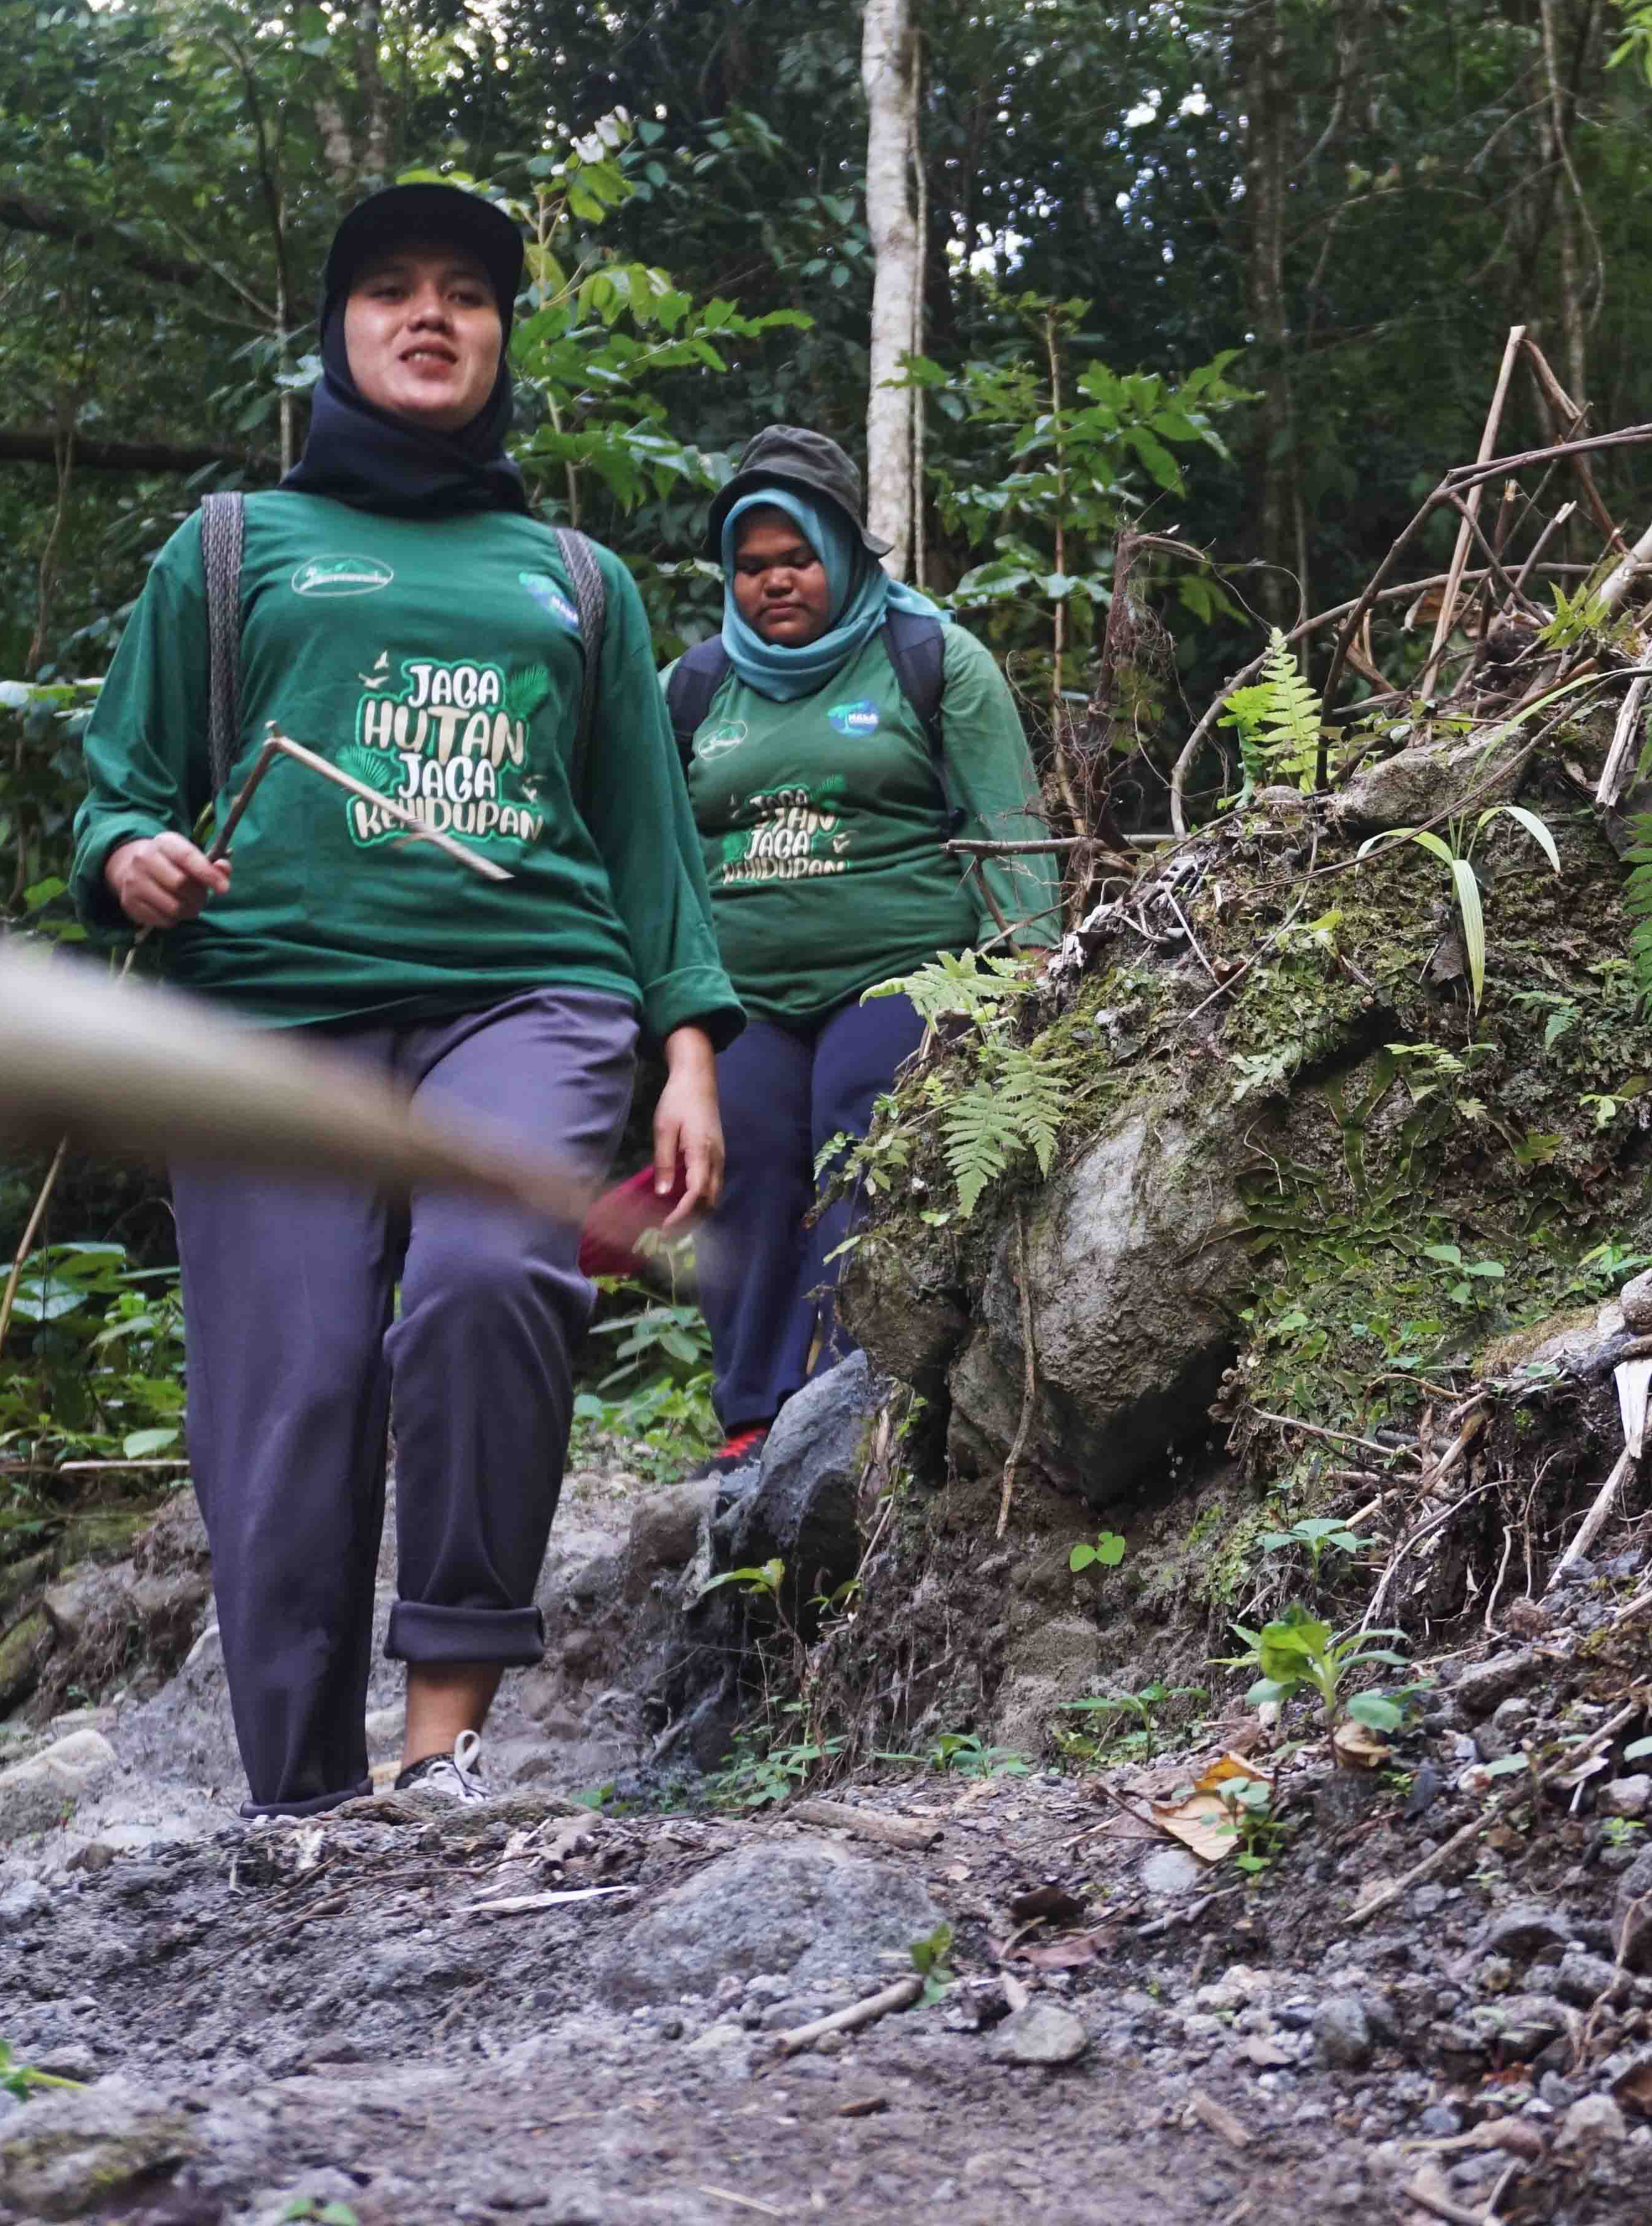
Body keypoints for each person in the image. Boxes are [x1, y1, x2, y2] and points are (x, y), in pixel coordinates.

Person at [68, 181, 739, 1818]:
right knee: (286, 1390)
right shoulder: (231, 550)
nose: (428, 313)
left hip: (528, 994)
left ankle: (443, 1747)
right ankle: (304, 1797)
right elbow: (117, 793)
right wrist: (131, 857)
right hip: (265, 1014)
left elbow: (649, 848)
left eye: (464, 292)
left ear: (503, 339)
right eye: (388, 288)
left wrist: (692, 1054)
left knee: (490, 1281)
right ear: (336, 332)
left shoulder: (577, 580)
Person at [664, 427, 1056, 1467]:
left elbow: (1009, 829)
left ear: (843, 554)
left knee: (856, 1123)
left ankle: (848, 1404)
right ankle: (753, 1418)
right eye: (750, 567)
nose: (773, 583)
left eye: (794, 559)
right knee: (742, 1155)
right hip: (742, 991)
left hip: (900, 969)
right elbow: (658, 859)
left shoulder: (931, 658)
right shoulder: (694, 690)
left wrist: (1025, 978)